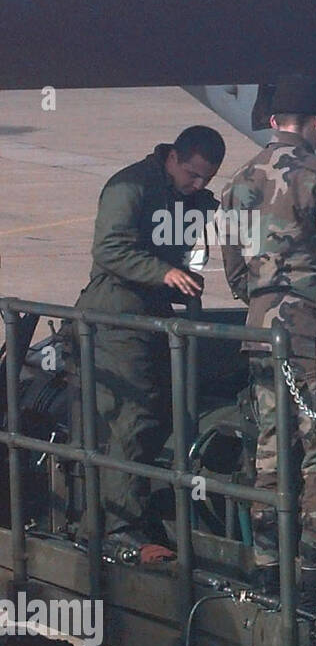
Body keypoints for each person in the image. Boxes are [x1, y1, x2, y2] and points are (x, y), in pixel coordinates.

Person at [219, 74, 316, 594]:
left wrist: (262, 302)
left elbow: (233, 266)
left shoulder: (239, 180)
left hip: (262, 333)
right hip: (312, 333)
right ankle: (312, 567)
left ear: (272, 122)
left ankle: (266, 561)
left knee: (269, 444)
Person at [70, 126, 226, 563]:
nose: (197, 184)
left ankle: (129, 515)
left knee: (157, 414)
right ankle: (118, 529)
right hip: (116, 316)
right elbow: (109, 249)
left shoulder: (186, 197)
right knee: (130, 417)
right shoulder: (131, 187)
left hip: (151, 314)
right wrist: (163, 273)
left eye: (206, 179)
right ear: (173, 157)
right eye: (192, 175)